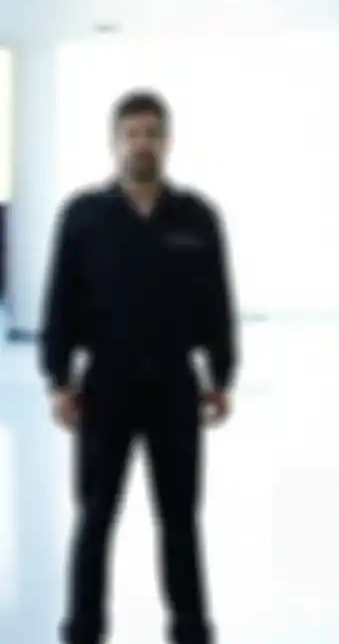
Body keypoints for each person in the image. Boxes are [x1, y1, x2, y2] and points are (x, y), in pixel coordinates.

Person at [41, 89, 236, 644]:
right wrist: (59, 378)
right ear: (114, 141)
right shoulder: (84, 217)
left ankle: (191, 628)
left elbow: (218, 301)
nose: (142, 143)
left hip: (175, 386)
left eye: (152, 133)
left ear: (167, 141)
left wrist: (221, 377)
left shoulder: (196, 217)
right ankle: (83, 628)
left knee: (179, 518)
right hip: (106, 385)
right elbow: (60, 300)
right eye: (132, 133)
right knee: (95, 516)